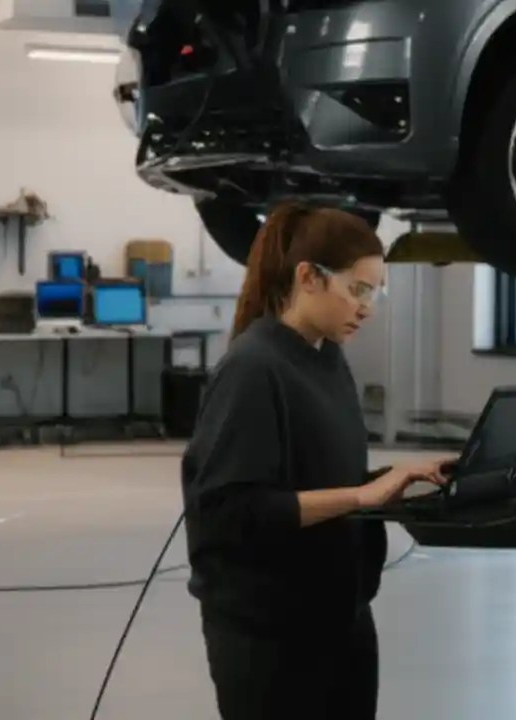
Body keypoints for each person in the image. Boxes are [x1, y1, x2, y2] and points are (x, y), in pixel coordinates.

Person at [181, 201, 451, 720]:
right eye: (358, 289)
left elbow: (320, 478)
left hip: (338, 616)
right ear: (308, 277)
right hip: (271, 633)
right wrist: (359, 495)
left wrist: (394, 482)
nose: (368, 307)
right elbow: (233, 512)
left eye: (375, 293)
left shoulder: (326, 358)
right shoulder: (253, 369)